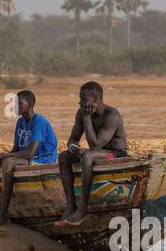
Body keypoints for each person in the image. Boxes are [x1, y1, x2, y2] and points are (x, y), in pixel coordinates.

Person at [0, 89, 58, 229]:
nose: (15, 107)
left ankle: (3, 214)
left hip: (42, 158)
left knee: (8, 162)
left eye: (19, 103)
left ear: (30, 104)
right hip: (25, 156)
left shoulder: (39, 122)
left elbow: (30, 153)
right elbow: (16, 150)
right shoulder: (20, 122)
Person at [54, 81, 129, 226]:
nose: (79, 103)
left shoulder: (111, 115)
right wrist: (74, 148)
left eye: (83, 99)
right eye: (80, 99)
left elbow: (95, 145)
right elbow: (72, 140)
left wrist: (86, 117)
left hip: (115, 153)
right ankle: (71, 206)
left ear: (95, 100)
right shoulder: (81, 112)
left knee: (88, 155)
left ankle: (83, 209)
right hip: (96, 152)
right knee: (63, 156)